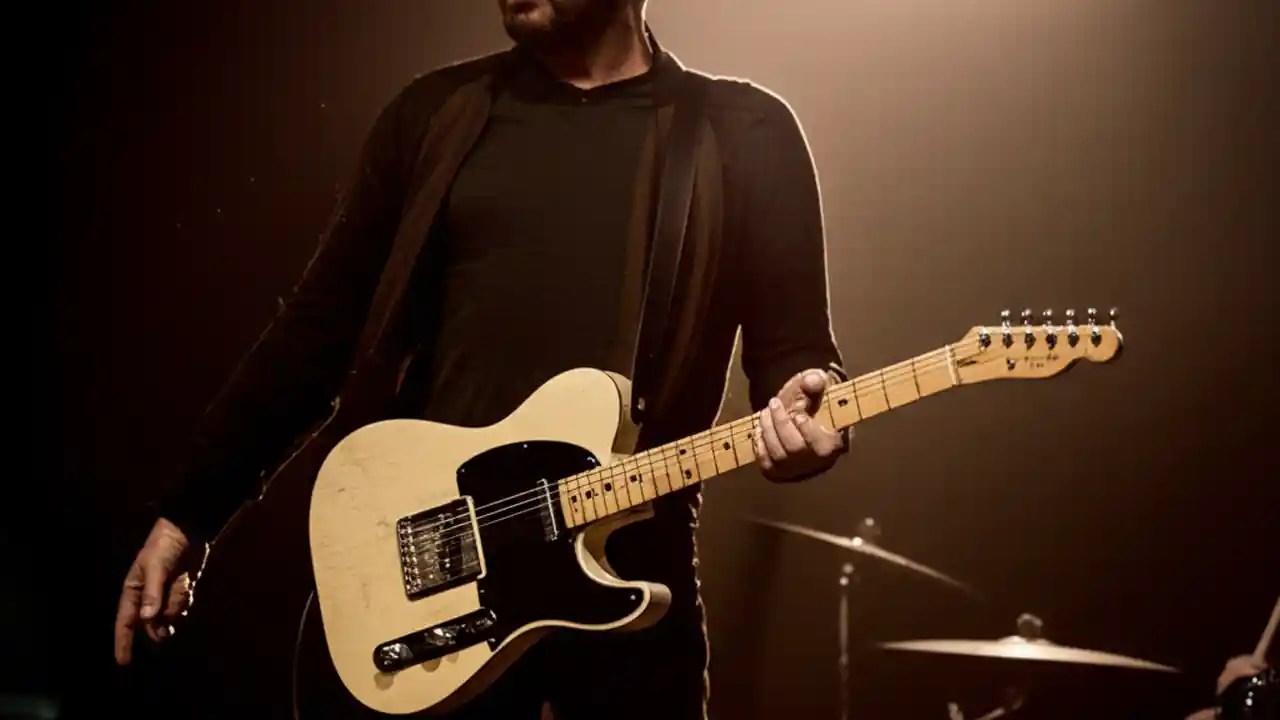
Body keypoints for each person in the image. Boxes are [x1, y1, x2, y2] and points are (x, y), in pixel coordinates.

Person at [112, 1, 849, 717]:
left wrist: (807, 419)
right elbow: (317, 333)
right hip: (435, 580)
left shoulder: (744, 132)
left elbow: (796, 359)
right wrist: (190, 514)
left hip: (630, 579)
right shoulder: (436, 116)